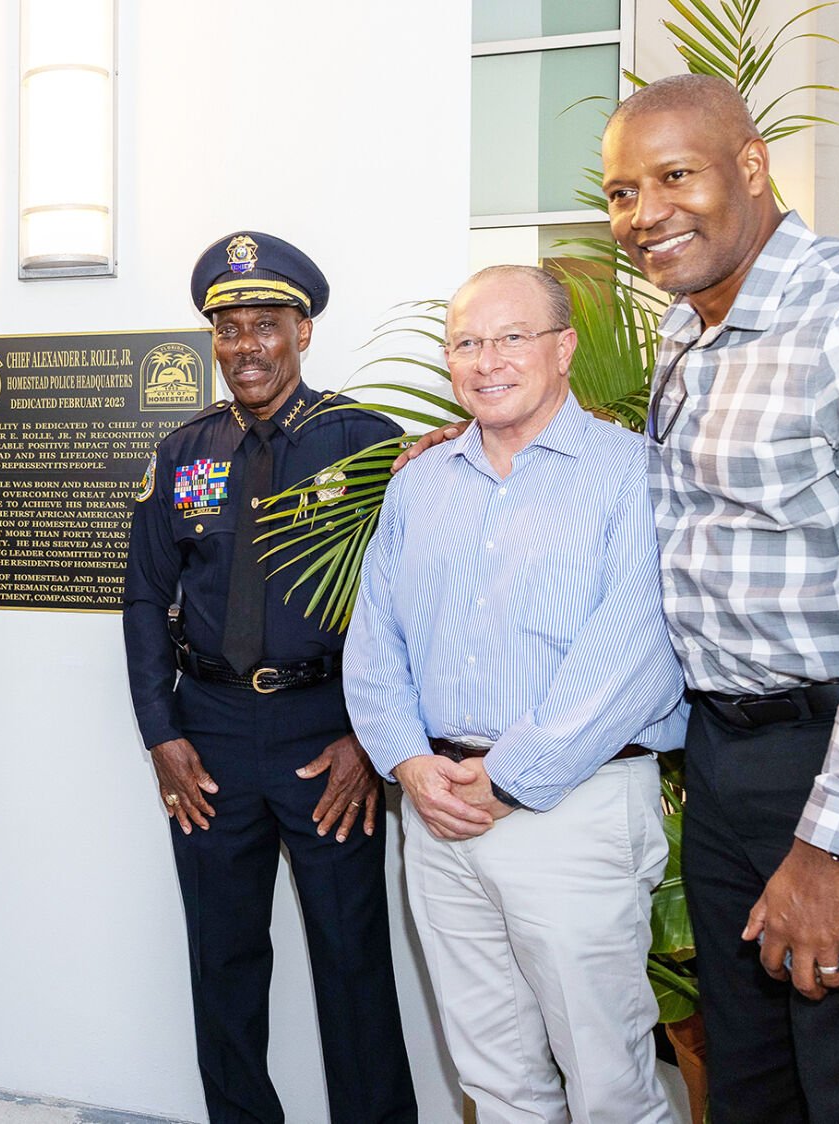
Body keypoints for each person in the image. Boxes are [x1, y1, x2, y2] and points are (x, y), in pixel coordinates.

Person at [345, 264, 685, 1122]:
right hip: (436, 813)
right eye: (465, 342)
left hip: (574, 810)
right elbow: (375, 639)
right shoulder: (418, 483)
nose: (485, 360)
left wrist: (504, 777)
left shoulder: (630, 473)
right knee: (494, 1078)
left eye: (509, 337)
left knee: (609, 1080)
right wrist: (408, 763)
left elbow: (632, 652)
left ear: (563, 348)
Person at [608, 74, 839, 1120]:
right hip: (722, 761)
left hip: (831, 760)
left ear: (752, 167)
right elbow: (679, 508)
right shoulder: (687, 328)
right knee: (754, 1077)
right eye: (623, 192)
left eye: (675, 175)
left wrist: (833, 841)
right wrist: (489, 447)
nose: (644, 214)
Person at [121, 231, 416, 1124]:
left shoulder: (365, 442)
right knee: (222, 957)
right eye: (227, 328)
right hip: (206, 734)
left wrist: (372, 740)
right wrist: (161, 735)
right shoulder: (185, 452)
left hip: (325, 735)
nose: (244, 346)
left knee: (351, 960)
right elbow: (141, 600)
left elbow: (408, 608)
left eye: (264, 325)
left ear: (304, 331)